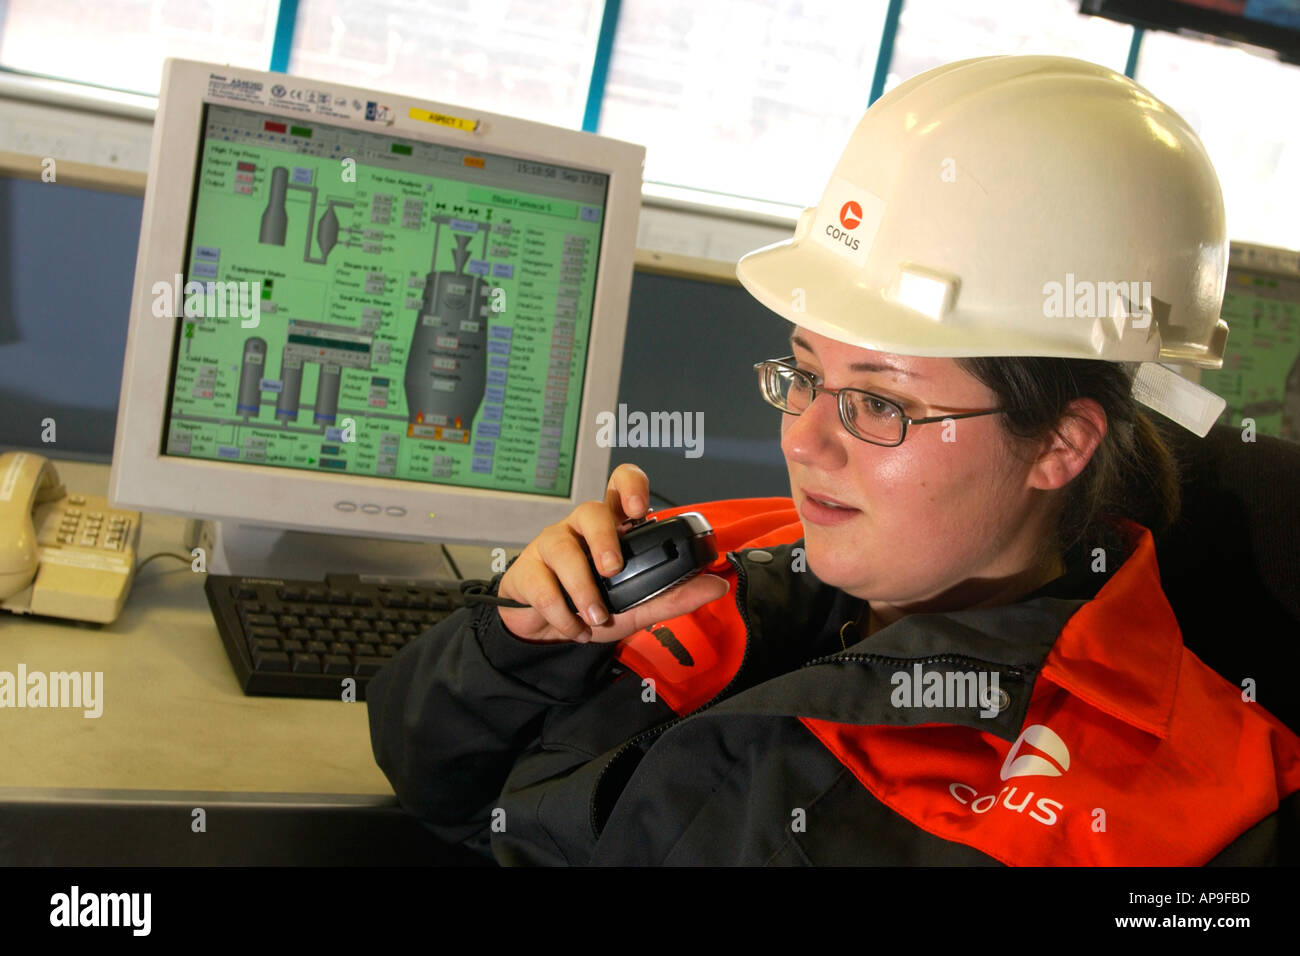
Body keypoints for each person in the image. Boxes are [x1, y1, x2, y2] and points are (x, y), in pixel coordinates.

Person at [366, 55, 1300, 865]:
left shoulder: (1182, 810)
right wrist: (517, 646)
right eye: (804, 375)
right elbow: (445, 792)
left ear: (1060, 444)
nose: (802, 441)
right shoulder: (729, 550)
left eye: (880, 403)